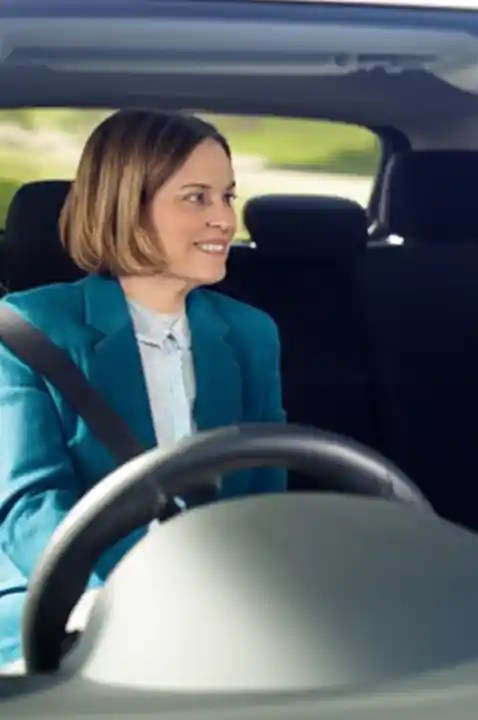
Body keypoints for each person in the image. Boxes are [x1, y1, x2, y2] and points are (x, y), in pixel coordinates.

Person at [0, 109, 288, 669]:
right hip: (65, 611)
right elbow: (28, 507)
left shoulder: (251, 333)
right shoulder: (28, 329)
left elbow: (265, 496)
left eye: (228, 197)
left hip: (229, 610)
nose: (225, 221)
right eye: (196, 198)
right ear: (126, 205)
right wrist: (145, 599)